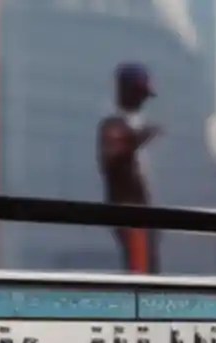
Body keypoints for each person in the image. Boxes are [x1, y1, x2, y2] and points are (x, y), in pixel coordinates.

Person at [97, 62, 162, 274]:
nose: (142, 100)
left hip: (142, 211)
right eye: (138, 93)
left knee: (148, 268)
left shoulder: (131, 124)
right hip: (129, 210)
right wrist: (136, 140)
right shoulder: (113, 125)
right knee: (140, 272)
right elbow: (113, 155)